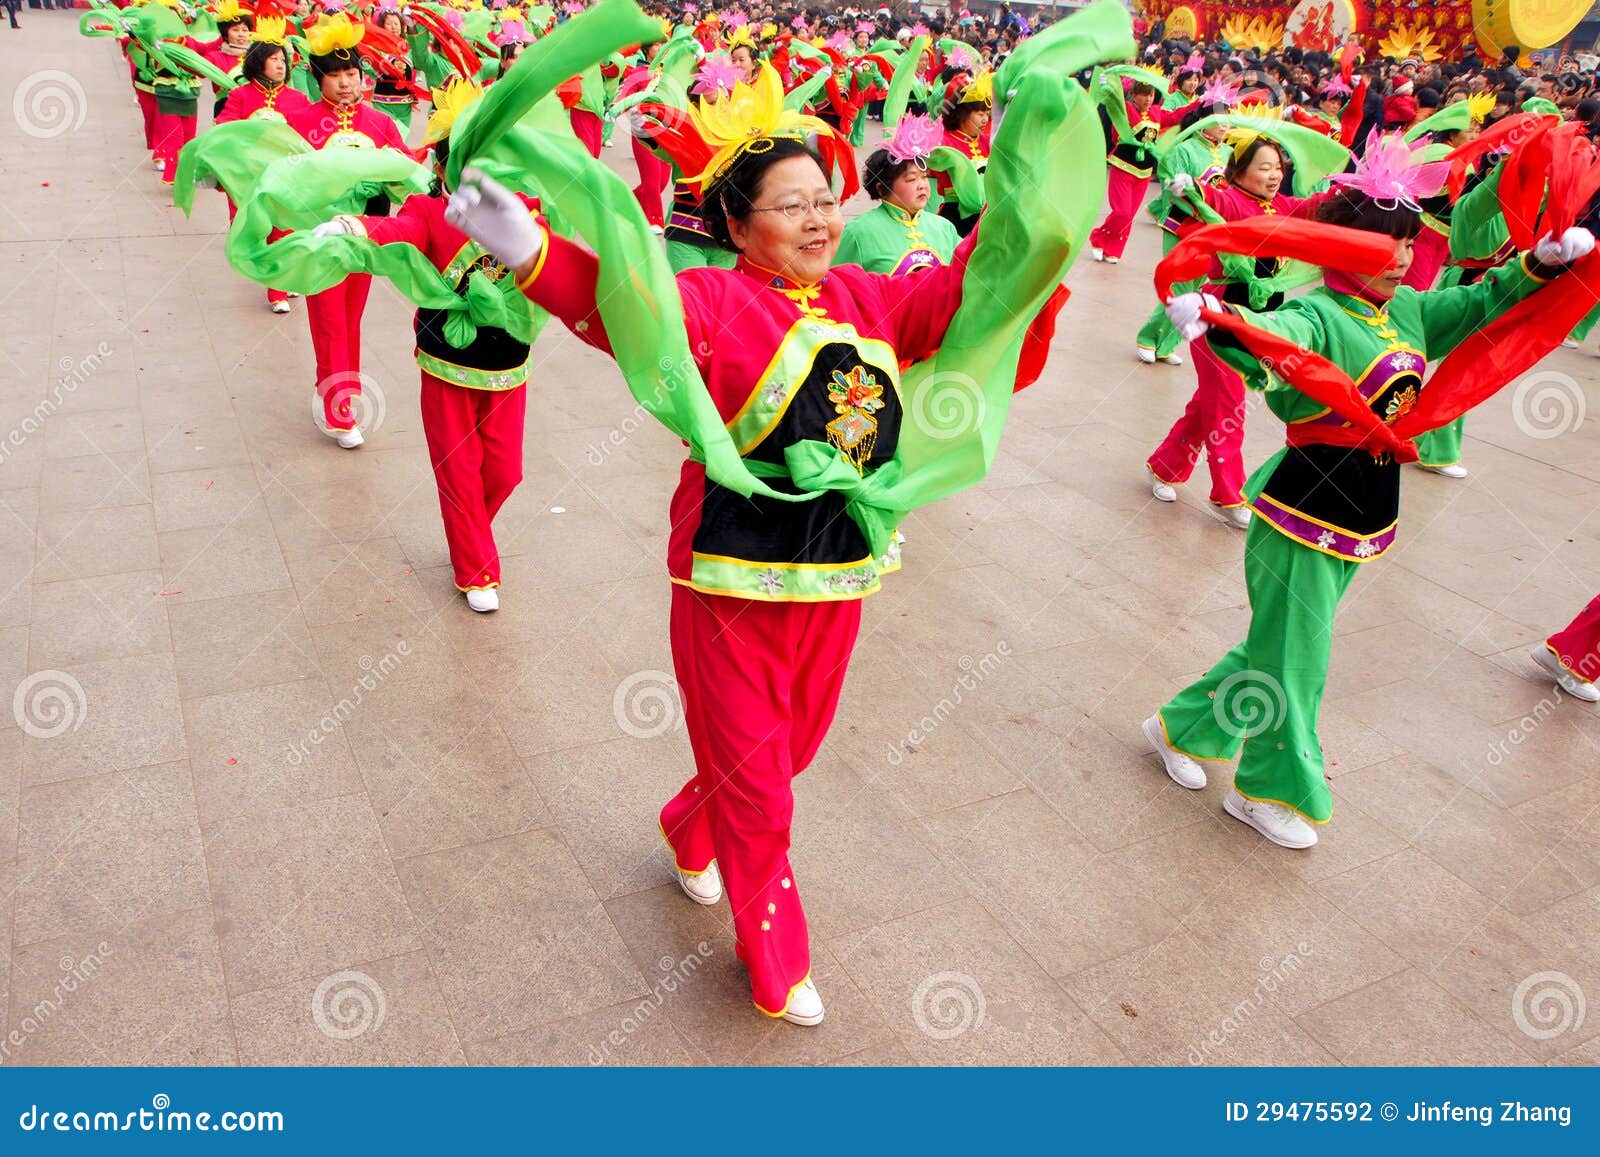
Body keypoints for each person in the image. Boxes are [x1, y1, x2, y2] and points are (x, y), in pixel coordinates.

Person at [441, 45, 1097, 1023]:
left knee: (786, 751)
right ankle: (776, 959)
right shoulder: (710, 299)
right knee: (762, 786)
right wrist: (529, 251)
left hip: (839, 569)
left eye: (825, 199)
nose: (821, 218)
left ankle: (684, 822)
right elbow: (626, 312)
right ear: (738, 224)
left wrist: (1031, 195)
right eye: (791, 205)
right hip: (729, 572)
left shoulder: (871, 297)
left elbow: (972, 297)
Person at [1144, 165, 1594, 848]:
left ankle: (1182, 725)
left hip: (1366, 506)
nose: (1404, 258)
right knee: (1300, 660)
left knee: (1284, 647)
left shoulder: (1407, 310)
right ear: (1340, 247)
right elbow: (1276, 333)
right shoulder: (1318, 312)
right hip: (1304, 505)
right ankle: (1267, 789)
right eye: (1387, 244)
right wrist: (1218, 319)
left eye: (1410, 242)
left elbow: (1477, 306)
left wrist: (1539, 261)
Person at [311, 80, 533, 612]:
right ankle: (476, 566)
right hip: (447, 360)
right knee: (458, 466)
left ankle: (469, 529)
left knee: (505, 469)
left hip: (509, 361)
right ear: (441, 167)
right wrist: (350, 224)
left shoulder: (523, 207)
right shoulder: (429, 210)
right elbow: (397, 229)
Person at [1144, 134, 1331, 527]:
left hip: (1260, 320)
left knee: (1212, 402)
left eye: (1279, 167)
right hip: (1219, 315)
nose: (1274, 175)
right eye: (1264, 167)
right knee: (1228, 403)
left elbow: (1314, 207)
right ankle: (1229, 494)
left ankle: (1165, 465)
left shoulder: (1281, 206)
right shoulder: (1230, 199)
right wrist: (1188, 188)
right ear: (1239, 170)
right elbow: (1206, 198)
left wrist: (1355, 191)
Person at [286, 13, 409, 448]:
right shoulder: (299, 124)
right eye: (335, 74)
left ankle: (333, 389)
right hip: (320, 240)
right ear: (317, 78)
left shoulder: (381, 123)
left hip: (363, 239)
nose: (345, 83)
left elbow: (404, 174)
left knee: (349, 321)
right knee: (329, 320)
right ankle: (341, 409)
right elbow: (286, 183)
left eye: (352, 73)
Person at [214, 17, 310, 314]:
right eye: (273, 59)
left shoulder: (298, 99)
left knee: (286, 229)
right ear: (258, 63)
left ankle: (279, 285)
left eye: (284, 60)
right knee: (261, 229)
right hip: (251, 176)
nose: (281, 65)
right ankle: (275, 279)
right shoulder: (240, 95)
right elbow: (225, 128)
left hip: (286, 176)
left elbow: (307, 136)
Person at [832, 115, 959, 274]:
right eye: (911, 179)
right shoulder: (858, 233)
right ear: (881, 188)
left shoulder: (945, 228)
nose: (922, 185)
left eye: (925, 177)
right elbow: (835, 283)